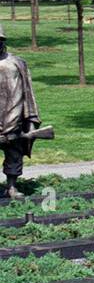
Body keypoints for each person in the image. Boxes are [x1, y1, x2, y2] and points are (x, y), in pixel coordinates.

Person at [0, 22, 38, 200]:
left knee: (14, 154)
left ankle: (12, 187)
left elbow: (28, 92)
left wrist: (31, 120)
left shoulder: (16, 63)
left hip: (13, 119)